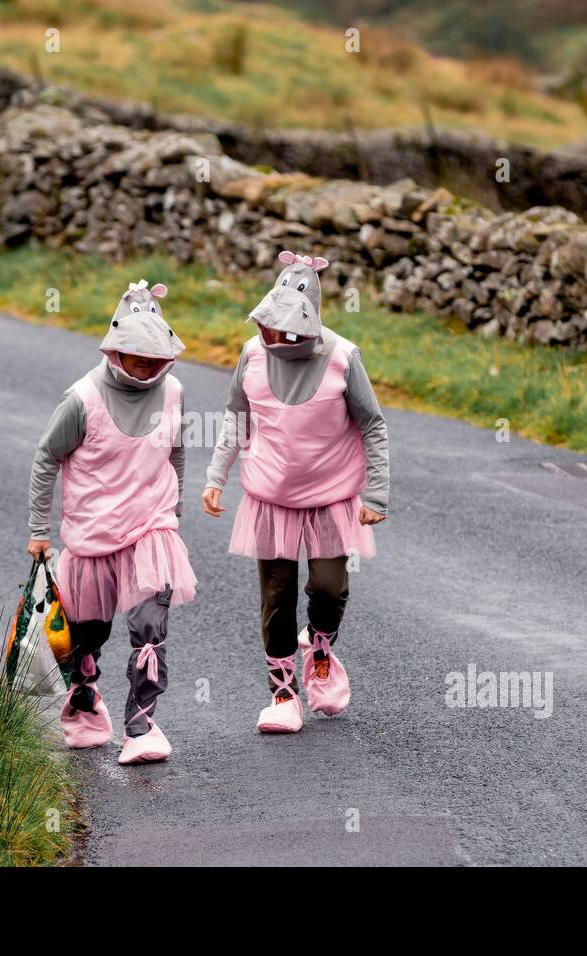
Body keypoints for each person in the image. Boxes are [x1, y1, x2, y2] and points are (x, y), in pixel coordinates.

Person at [202, 251, 389, 734]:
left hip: (330, 498)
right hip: (271, 499)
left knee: (329, 589)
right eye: (271, 327)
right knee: (277, 596)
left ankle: (321, 649)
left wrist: (377, 494)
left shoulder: (344, 357)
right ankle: (283, 694)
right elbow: (236, 417)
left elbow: (372, 425)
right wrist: (215, 477)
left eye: (290, 331)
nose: (279, 338)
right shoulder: (251, 354)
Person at [28, 280, 195, 765]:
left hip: (151, 528)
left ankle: (141, 724)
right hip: (93, 533)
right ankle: (83, 700)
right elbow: (46, 458)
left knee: (149, 627)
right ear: (115, 348)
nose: (147, 365)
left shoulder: (175, 391)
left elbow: (176, 452)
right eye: (136, 355)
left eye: (154, 356)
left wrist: (174, 513)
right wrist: (39, 530)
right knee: (87, 636)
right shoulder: (81, 399)